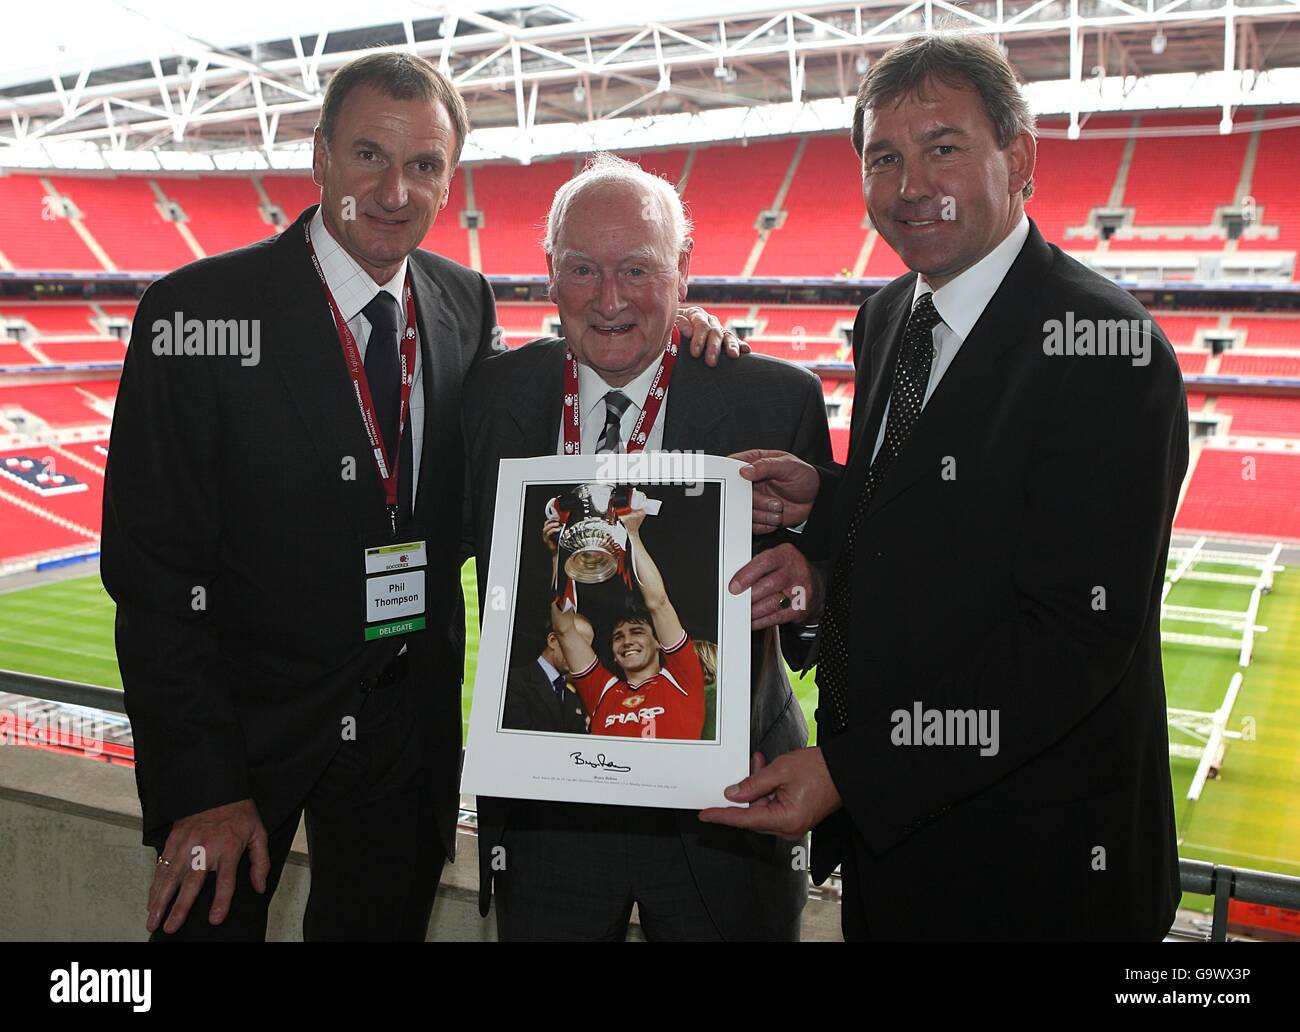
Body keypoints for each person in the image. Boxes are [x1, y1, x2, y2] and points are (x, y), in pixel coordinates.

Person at [102, 52, 734, 942]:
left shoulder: (462, 301)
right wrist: (202, 784)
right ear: (319, 156)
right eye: (369, 156)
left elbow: (536, 422)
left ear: (449, 177)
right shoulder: (194, 313)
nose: (395, 191)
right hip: (247, 740)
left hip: (403, 740)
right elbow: (153, 573)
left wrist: (677, 322)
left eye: (426, 165)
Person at [704, 32, 1188, 942]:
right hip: (900, 862)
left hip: (1039, 872)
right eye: (884, 157)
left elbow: (1073, 637)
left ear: (1021, 157)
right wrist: (830, 504)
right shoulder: (890, 315)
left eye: (944, 148)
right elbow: (940, 518)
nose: (910, 184)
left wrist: (854, 772)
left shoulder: (1106, 349)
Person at [463, 153, 833, 941]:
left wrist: (806, 589)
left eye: (637, 269)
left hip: (727, 805)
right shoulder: (492, 396)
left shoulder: (774, 399)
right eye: (583, 269)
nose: (608, 299)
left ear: (682, 271)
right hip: (549, 809)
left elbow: (833, 586)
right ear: (550, 276)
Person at [550, 507, 706, 740]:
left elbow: (658, 603)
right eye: (618, 637)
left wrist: (633, 534)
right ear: (612, 653)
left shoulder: (682, 679)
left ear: (658, 643)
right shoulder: (602, 691)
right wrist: (561, 554)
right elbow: (564, 629)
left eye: (637, 632)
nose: (627, 641)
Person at [503, 608, 594, 735]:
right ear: (552, 640)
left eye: (586, 649)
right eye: (576, 643)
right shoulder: (512, 682)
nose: (582, 654)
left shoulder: (575, 701)